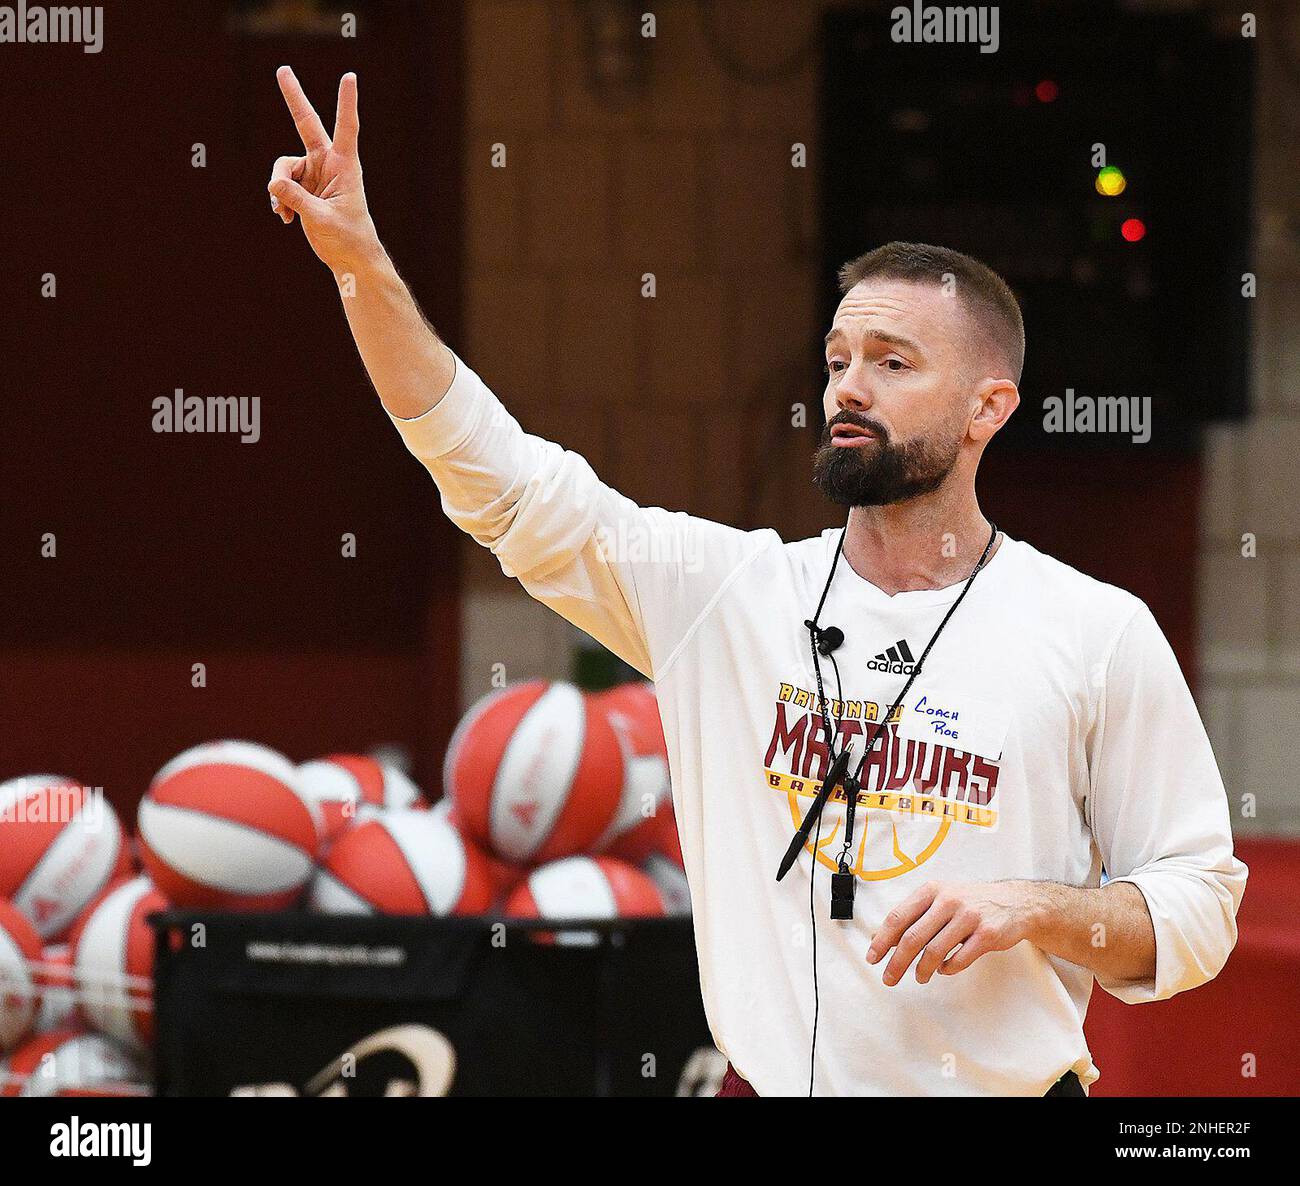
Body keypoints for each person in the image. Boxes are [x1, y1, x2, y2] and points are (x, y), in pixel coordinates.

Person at [266, 68, 1246, 1096]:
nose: (847, 387)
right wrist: (360, 266)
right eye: (836, 359)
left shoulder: (1093, 630)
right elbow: (495, 477)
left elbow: (1198, 906)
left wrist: (1033, 907)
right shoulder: (724, 594)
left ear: (986, 408)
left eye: (893, 362)